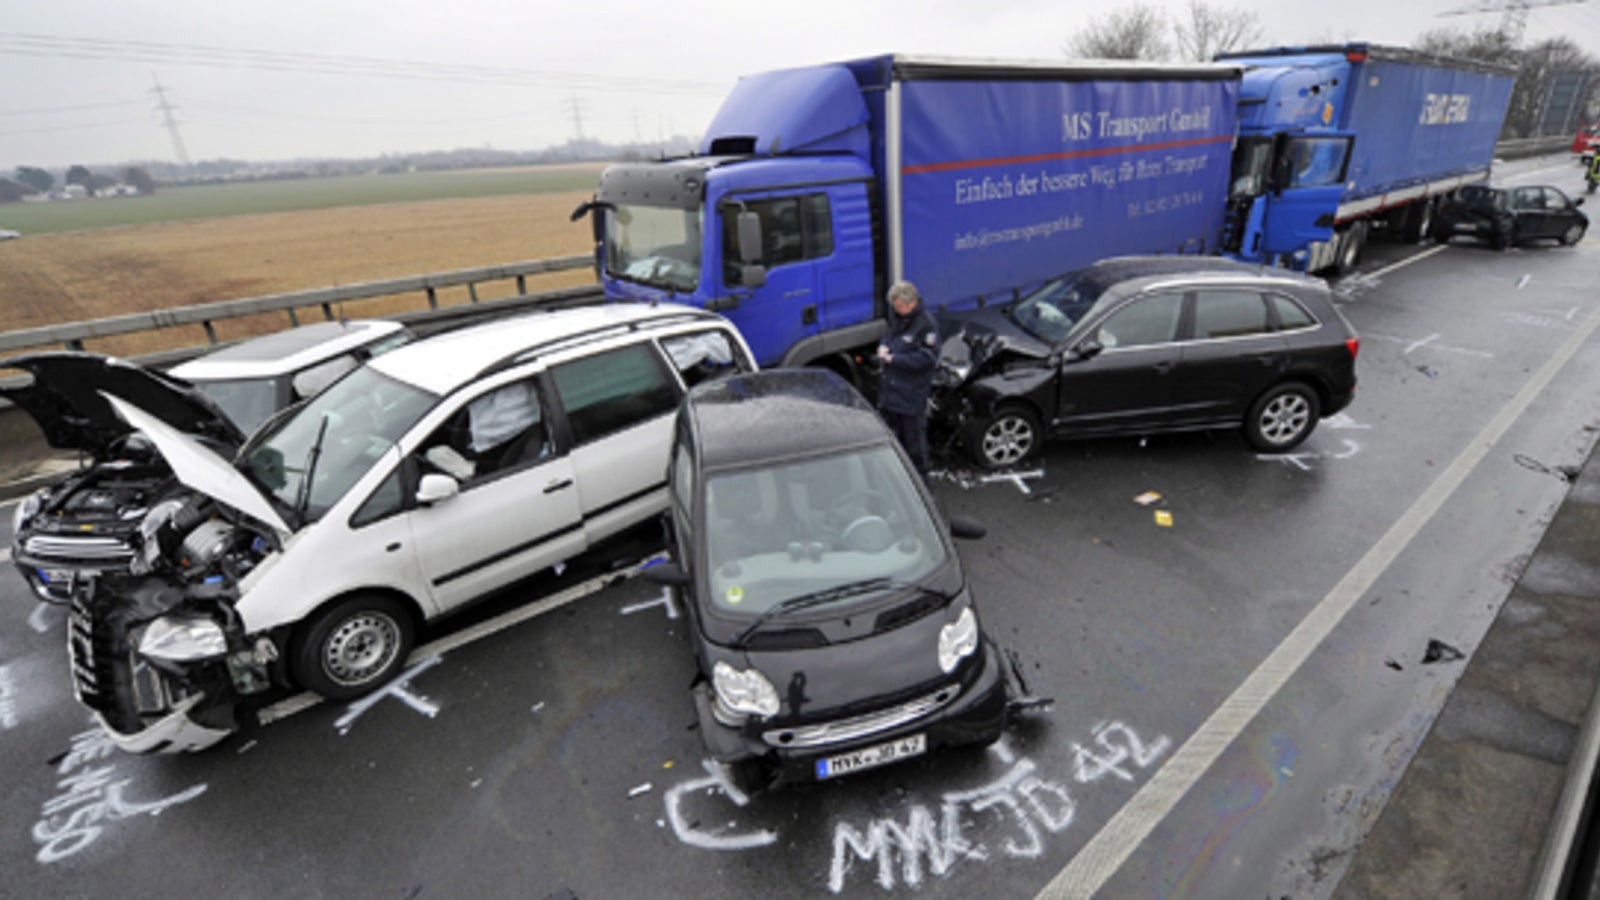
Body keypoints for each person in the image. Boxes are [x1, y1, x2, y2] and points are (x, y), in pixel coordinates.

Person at [876, 280, 939, 479]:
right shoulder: (898, 317)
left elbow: (927, 358)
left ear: (911, 303)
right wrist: (883, 346)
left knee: (914, 446)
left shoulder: (926, 325)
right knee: (895, 439)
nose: (895, 309)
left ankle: (921, 484)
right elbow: (889, 336)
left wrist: (895, 359)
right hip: (892, 393)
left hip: (911, 396)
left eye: (898, 306)